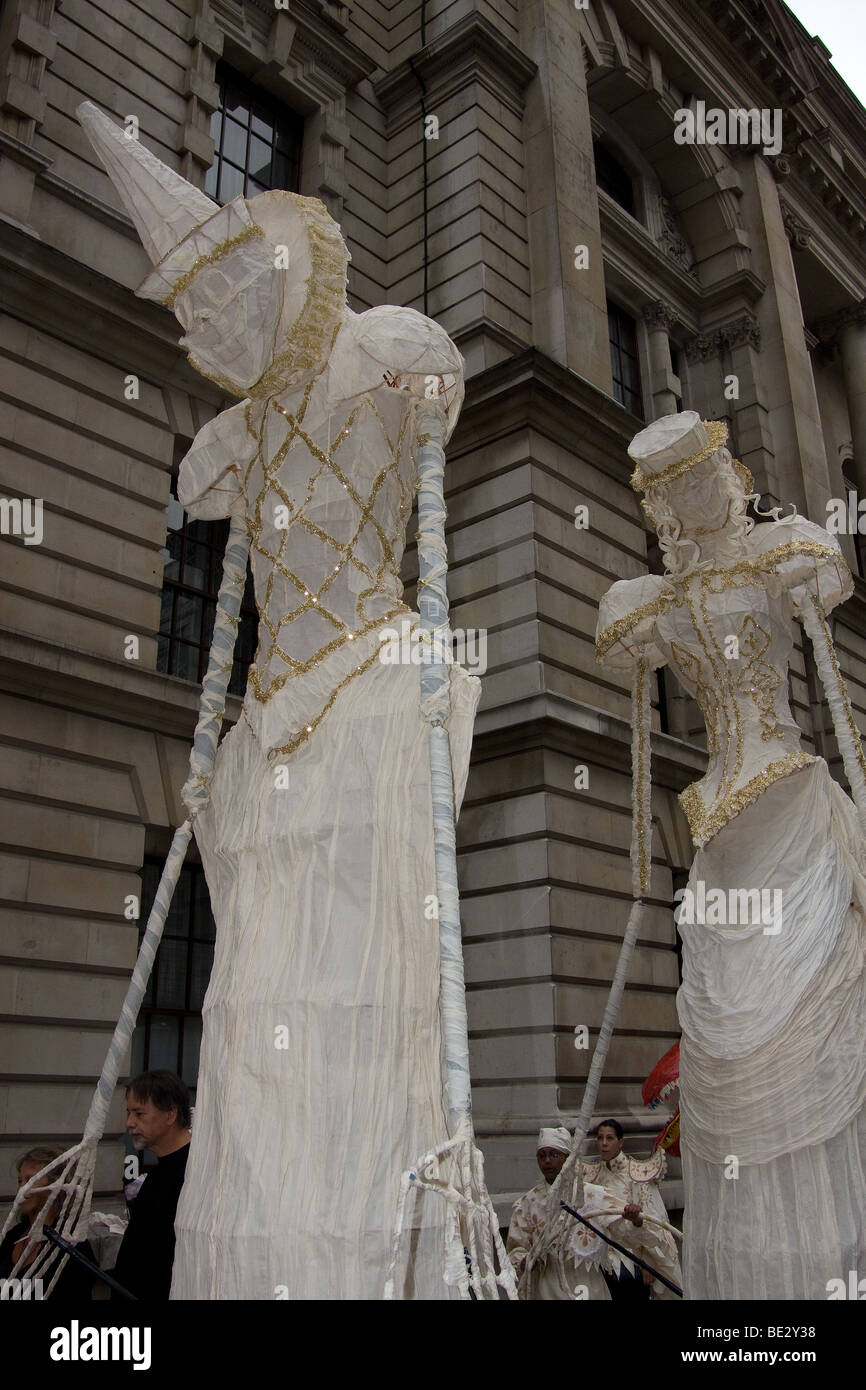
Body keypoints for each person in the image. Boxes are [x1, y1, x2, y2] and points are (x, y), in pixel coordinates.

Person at [78, 101, 483, 1301]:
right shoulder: (229, 445)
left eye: (220, 293)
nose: (210, 322)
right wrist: (207, 745)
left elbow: (426, 513)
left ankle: (373, 1247)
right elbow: (233, 612)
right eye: (193, 313)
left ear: (279, 270)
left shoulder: (383, 354)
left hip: (367, 684)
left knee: (367, 975)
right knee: (260, 996)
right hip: (271, 720)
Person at [596, 411, 866, 1298]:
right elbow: (624, 643)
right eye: (674, 489)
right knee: (730, 1037)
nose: (694, 495)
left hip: (786, 795)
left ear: (730, 476)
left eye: (703, 475)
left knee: (800, 1019)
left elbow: (825, 584)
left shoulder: (785, 548)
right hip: (718, 826)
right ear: (663, 508)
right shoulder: (655, 601)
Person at [111, 1071, 191, 1301]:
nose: (129, 1123)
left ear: (170, 1114)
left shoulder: (192, 1172)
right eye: (128, 1113)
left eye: (139, 1113)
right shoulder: (161, 1172)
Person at [579, 1119, 681, 1301]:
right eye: (600, 1138)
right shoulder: (591, 1176)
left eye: (609, 1138)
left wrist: (648, 1262)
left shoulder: (637, 1175)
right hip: (600, 1258)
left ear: (620, 1142)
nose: (604, 1143)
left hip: (634, 1259)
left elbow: (654, 1221)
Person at [507, 1127, 610, 1300]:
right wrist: (525, 1260)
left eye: (554, 1155)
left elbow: (624, 1231)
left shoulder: (593, 1196)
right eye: (542, 1155)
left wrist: (635, 1219)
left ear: (567, 1158)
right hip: (549, 1287)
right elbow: (516, 1248)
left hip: (587, 1284)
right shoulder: (528, 1203)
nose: (547, 1161)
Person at [0, 1147, 96, 1301]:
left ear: (56, 1187)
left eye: (30, 1180)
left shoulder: (71, 1244)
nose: (21, 1189)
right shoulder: (14, 1236)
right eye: (20, 1181)